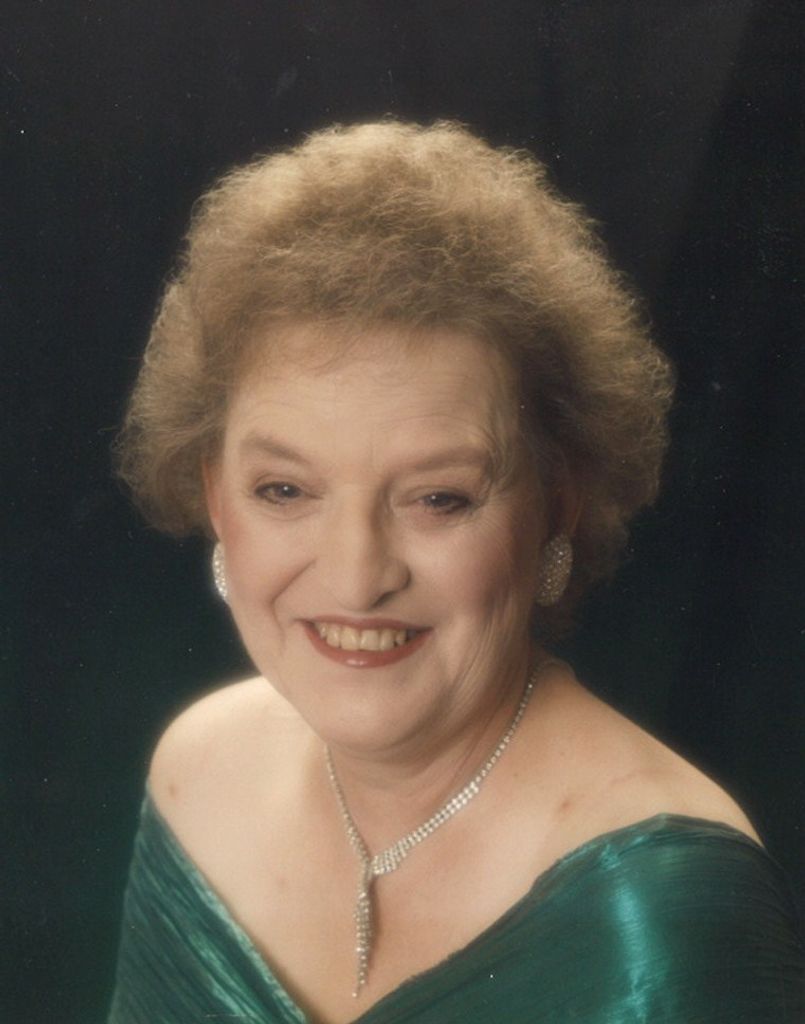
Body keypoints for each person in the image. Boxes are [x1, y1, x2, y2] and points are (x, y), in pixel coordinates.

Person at [108, 120, 803, 1024]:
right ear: (214, 497)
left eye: (437, 498)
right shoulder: (198, 775)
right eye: (284, 490)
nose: (356, 577)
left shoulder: (661, 907)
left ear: (555, 507)